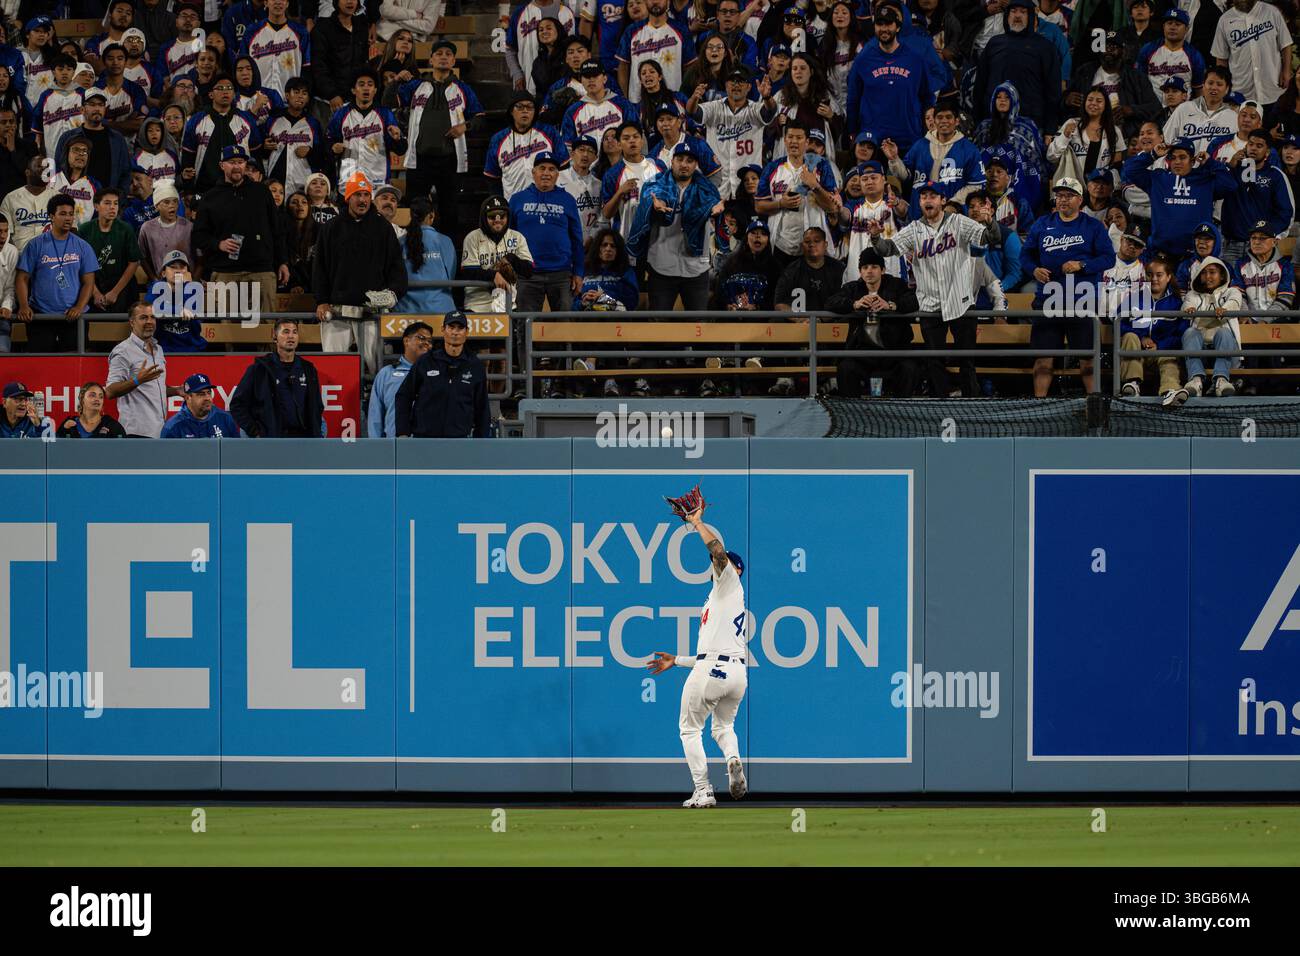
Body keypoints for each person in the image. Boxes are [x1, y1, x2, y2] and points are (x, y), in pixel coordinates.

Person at [645, 496, 749, 810]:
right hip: (736, 674)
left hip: (713, 671)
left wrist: (696, 522)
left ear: (733, 569)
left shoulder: (728, 581)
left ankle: (703, 790)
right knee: (724, 727)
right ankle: (732, 759)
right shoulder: (721, 599)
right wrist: (677, 660)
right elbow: (708, 653)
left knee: (690, 728)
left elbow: (717, 552)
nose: (716, 565)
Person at [866, 179, 1002, 397]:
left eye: (932, 196)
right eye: (923, 196)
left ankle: (972, 405)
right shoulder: (914, 229)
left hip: (961, 302)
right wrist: (875, 236)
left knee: (967, 361)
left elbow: (992, 237)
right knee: (934, 362)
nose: (927, 200)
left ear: (942, 200)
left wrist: (990, 222)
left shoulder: (958, 222)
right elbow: (888, 249)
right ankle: (940, 404)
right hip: (930, 304)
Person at [1020, 177, 1115, 397]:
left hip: (1081, 298)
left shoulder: (1092, 226)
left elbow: (1109, 259)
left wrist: (1082, 265)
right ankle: (1038, 404)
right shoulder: (1042, 223)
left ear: (1080, 199)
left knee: (1088, 358)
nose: (1063, 200)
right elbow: (1025, 255)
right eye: (1060, 195)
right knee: (1044, 358)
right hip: (1049, 297)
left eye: (1069, 195)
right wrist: (1034, 270)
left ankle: (1094, 406)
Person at [313, 171, 409, 381]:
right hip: (337, 312)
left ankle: (376, 412)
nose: (362, 200)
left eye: (366, 195)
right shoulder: (331, 228)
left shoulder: (382, 227)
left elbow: (396, 267)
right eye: (357, 195)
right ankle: (332, 413)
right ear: (348, 197)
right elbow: (319, 267)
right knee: (332, 368)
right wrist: (321, 300)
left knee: (378, 370)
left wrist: (393, 293)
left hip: (371, 313)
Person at [399, 40, 485, 238]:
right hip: (419, 160)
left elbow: (480, 119)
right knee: (416, 212)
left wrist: (465, 126)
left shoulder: (463, 89)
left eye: (448, 54)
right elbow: (388, 100)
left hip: (450, 161)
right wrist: (397, 80)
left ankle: (449, 256)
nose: (444, 56)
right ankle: (414, 252)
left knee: (450, 212)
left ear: (454, 60)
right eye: (439, 53)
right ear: (431, 59)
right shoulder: (416, 85)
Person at [192, 144, 288, 315]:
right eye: (232, 162)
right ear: (222, 165)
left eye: (241, 162)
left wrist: (282, 262)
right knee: (227, 331)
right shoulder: (210, 197)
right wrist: (218, 244)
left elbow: (277, 229)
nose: (237, 166)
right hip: (225, 271)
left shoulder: (262, 192)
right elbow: (198, 235)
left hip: (261, 270)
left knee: (266, 328)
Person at [628, 141, 721, 313]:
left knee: (697, 324)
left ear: (696, 165)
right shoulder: (655, 184)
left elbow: (716, 207)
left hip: (696, 268)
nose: (684, 164)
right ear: (672, 161)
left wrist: (715, 211)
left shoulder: (707, 189)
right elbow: (652, 196)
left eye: (689, 160)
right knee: (658, 324)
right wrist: (654, 206)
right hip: (662, 266)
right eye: (680, 159)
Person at [825, 248, 920, 398]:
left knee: (910, 367)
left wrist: (891, 306)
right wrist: (854, 304)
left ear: (882, 270)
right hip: (862, 354)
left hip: (893, 353)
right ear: (860, 272)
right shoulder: (853, 288)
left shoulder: (896, 285)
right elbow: (830, 303)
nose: (869, 271)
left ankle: (902, 410)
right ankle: (852, 413)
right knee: (846, 367)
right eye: (865, 267)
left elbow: (915, 300)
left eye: (874, 267)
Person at [1122, 138, 1237, 258]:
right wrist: (1152, 155)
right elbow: (1129, 170)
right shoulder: (1158, 179)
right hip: (1162, 255)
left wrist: (1210, 162)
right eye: (1173, 158)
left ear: (1192, 161)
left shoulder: (1205, 180)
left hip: (1196, 255)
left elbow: (1230, 186)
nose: (1177, 161)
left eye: (1182, 157)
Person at [845, 4, 933, 157]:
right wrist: (852, 131)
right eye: (879, 24)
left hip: (908, 139)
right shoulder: (863, 59)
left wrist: (927, 130)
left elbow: (927, 97)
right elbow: (853, 99)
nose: (884, 29)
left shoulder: (916, 59)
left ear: (897, 27)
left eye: (888, 24)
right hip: (873, 141)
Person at [14, 194, 99, 353]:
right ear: (51, 216)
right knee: (41, 364)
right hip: (41, 316)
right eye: (62, 213)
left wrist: (79, 307)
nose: (68, 218)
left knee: (73, 365)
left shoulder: (83, 246)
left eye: (70, 213)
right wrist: (24, 306)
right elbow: (22, 278)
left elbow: (89, 282)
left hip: (73, 318)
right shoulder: (35, 245)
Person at [754, 121, 839, 268]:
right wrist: (781, 204)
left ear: (806, 142)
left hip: (814, 245)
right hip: (781, 244)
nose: (794, 141)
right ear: (785, 140)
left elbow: (832, 207)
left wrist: (815, 186)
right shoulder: (772, 167)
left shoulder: (821, 165)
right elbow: (759, 206)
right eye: (790, 137)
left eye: (799, 138)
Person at [394, 310, 492, 437]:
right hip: (424, 440)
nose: (455, 332)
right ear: (443, 330)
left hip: (459, 441)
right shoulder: (426, 361)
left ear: (466, 332)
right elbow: (403, 396)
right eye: (451, 327)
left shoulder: (475, 366)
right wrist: (402, 432)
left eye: (460, 328)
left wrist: (481, 442)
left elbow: (482, 408)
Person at [510, 152, 585, 312]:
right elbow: (509, 238)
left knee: (564, 327)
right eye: (542, 168)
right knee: (525, 326)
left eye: (551, 169)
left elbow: (577, 239)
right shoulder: (517, 199)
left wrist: (578, 272)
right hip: (527, 274)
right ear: (533, 172)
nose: (546, 173)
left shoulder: (568, 200)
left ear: (557, 174)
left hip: (561, 274)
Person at [974, 0, 1061, 136]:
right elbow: (980, 86)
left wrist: (1050, 130)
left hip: (1031, 124)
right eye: (1013, 11)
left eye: (1023, 12)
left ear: (1031, 16)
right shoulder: (994, 44)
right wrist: (978, 121)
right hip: (994, 123)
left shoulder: (1045, 47)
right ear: (1007, 15)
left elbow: (1053, 91)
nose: (1017, 16)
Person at [690, 69, 777, 201]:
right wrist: (695, 98)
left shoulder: (755, 109)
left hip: (747, 187)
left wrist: (766, 97)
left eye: (741, 81)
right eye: (732, 81)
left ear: (749, 87)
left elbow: (770, 111)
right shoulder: (714, 108)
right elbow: (693, 112)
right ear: (726, 86)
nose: (736, 85)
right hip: (718, 186)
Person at [230, 317, 325, 437]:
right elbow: (237, 405)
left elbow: (317, 405)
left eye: (294, 332)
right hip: (271, 441)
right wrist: (255, 432)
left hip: (303, 441)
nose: (291, 336)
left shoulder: (308, 369)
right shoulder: (259, 369)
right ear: (275, 337)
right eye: (286, 332)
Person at [1168, 255, 1245, 401]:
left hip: (1227, 353)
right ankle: (1196, 380)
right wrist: (1189, 308)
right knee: (1190, 332)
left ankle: (1222, 380)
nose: (1208, 276)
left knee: (1224, 332)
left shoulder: (1231, 292)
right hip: (1201, 353)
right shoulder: (1192, 294)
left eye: (1212, 272)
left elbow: (1234, 303)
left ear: (1222, 276)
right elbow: (1186, 306)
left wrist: (1224, 309)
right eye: (1204, 272)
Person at [104, 302, 182, 437]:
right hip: (135, 433)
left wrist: (176, 391)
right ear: (132, 322)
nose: (149, 321)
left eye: (152, 317)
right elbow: (110, 391)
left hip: (159, 431)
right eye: (143, 317)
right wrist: (137, 380)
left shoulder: (158, 349)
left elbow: (152, 387)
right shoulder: (123, 351)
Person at [180, 74, 263, 193]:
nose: (225, 92)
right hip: (205, 189)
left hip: (240, 188)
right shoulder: (196, 120)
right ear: (211, 94)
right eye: (220, 88)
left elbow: (256, 155)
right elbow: (188, 158)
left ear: (234, 94)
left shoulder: (246, 119)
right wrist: (188, 190)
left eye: (229, 88)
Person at [485, 91, 570, 201]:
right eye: (520, 107)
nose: (525, 111)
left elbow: (564, 167)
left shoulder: (549, 132)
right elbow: (492, 177)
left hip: (547, 202)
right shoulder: (498, 139)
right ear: (511, 110)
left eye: (530, 107)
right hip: (513, 205)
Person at [461, 195, 535, 314]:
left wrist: (511, 258)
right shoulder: (473, 237)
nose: (497, 219)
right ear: (484, 218)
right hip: (477, 305)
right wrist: (493, 275)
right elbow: (468, 271)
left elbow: (529, 270)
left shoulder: (517, 237)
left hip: (508, 304)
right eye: (491, 216)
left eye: (502, 215)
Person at [1212, 0, 1293, 109]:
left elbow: (1285, 44)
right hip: (1240, 91)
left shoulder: (1272, 12)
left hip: (1273, 86)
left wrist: (1286, 71)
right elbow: (1221, 58)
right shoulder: (1225, 20)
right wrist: (1223, 84)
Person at [618, 0, 697, 103]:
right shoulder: (631, 31)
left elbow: (690, 67)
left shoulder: (681, 30)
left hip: (673, 101)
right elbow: (623, 67)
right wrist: (625, 99)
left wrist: (684, 97)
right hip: (638, 101)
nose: (655, 2)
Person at [368, 320, 434, 437]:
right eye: (421, 338)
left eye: (429, 341)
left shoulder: (436, 374)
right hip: (394, 447)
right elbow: (375, 417)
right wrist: (376, 447)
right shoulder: (386, 374)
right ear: (406, 341)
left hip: (428, 445)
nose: (426, 343)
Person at [80, 187, 141, 312]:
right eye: (107, 203)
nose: (112, 207)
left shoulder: (126, 229)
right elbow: (80, 264)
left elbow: (133, 262)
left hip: (119, 283)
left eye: (116, 203)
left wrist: (115, 292)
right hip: (92, 282)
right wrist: (95, 292)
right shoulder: (85, 230)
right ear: (96, 206)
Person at [396, 197, 458, 314]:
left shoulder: (400, 242)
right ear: (432, 215)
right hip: (441, 308)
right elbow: (450, 275)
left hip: (406, 310)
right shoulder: (445, 241)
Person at [240, 0, 311, 98]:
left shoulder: (301, 32)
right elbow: (243, 67)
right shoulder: (252, 31)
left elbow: (306, 69)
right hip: (258, 99)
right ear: (265, 3)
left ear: (287, 3)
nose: (278, 2)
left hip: (290, 101)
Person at [1163, 64, 1235, 153]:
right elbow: (1166, 140)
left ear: (1227, 89)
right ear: (1203, 85)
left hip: (1219, 166)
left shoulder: (1233, 117)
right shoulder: (1184, 109)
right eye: (1210, 83)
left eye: (1219, 84)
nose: (1214, 87)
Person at [0, 155, 57, 253]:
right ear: (27, 172)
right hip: (19, 256)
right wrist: (15, 256)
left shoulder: (58, 198)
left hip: (51, 257)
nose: (44, 170)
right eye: (40, 166)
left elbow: (70, 230)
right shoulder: (11, 198)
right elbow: (5, 235)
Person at [137, 179, 191, 281]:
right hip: (161, 282)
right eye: (166, 202)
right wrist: (153, 279)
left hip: (186, 282)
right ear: (157, 206)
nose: (172, 205)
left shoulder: (188, 227)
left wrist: (194, 281)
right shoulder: (147, 228)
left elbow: (200, 257)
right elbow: (142, 257)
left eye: (175, 201)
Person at [160, 372, 242, 438]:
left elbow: (236, 452)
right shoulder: (173, 427)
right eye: (201, 394)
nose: (207, 398)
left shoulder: (225, 419)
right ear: (188, 397)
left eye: (209, 393)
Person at [56, 381, 126, 437]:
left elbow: (123, 451)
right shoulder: (69, 425)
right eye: (92, 395)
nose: (97, 399)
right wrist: (64, 430)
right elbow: (55, 449)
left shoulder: (112, 426)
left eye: (101, 397)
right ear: (82, 398)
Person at [0, 215, 16, 351]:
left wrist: (6, 306)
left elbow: (11, 286)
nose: (3, 236)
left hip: (2, 317)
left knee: (3, 353)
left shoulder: (12, 251)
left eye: (5, 231)